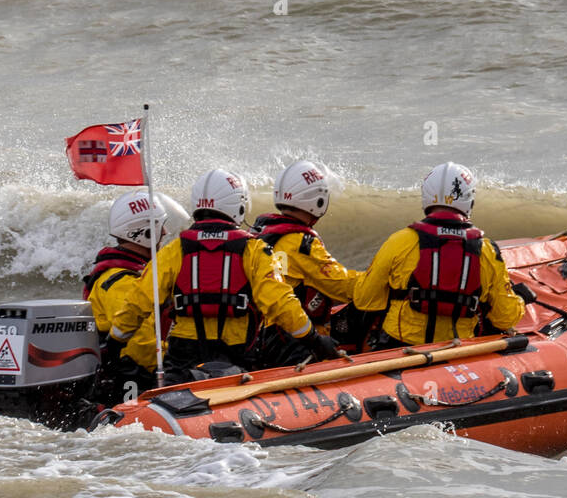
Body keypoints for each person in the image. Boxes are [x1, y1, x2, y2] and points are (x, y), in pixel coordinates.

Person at [106, 169, 341, 383]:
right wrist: (314, 339)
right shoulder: (254, 250)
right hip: (234, 353)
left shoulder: (174, 250)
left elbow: (138, 303)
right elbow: (280, 303)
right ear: (238, 207)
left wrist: (114, 344)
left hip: (183, 354)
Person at [352, 163, 526, 347]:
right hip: (458, 349)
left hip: (398, 344)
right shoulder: (487, 251)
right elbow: (505, 318)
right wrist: (519, 300)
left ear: (426, 197)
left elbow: (365, 299)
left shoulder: (399, 241)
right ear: (469, 200)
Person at [250, 161, 362, 364]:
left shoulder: (261, 233)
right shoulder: (301, 244)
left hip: (259, 335)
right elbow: (345, 287)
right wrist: (380, 278)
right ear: (318, 200)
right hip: (291, 339)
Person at [83, 191, 167, 403]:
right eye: (159, 226)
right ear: (144, 232)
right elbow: (141, 347)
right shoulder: (121, 281)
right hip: (129, 379)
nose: (165, 232)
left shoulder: (134, 273)